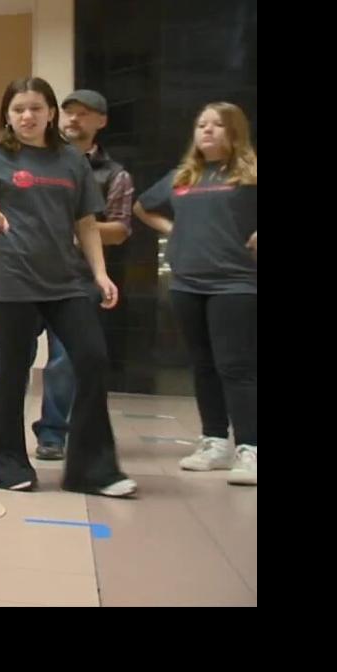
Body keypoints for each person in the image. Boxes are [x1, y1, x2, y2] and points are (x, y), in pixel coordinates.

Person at [0, 77, 135, 497]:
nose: (27, 116)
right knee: (12, 370)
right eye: (18, 108)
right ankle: (4, 463)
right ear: (7, 114)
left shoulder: (72, 161)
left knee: (92, 359)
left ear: (51, 112)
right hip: (11, 279)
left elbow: (86, 223)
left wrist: (100, 273)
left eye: (36, 108)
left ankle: (93, 471)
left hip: (68, 282)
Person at [134, 102, 257, 486]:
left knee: (235, 366)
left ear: (234, 131)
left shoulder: (249, 175)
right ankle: (215, 441)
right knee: (202, 365)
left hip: (236, 282)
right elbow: (142, 207)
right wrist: (175, 230)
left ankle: (250, 448)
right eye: (201, 124)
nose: (207, 130)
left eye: (217, 125)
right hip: (188, 282)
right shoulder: (182, 177)